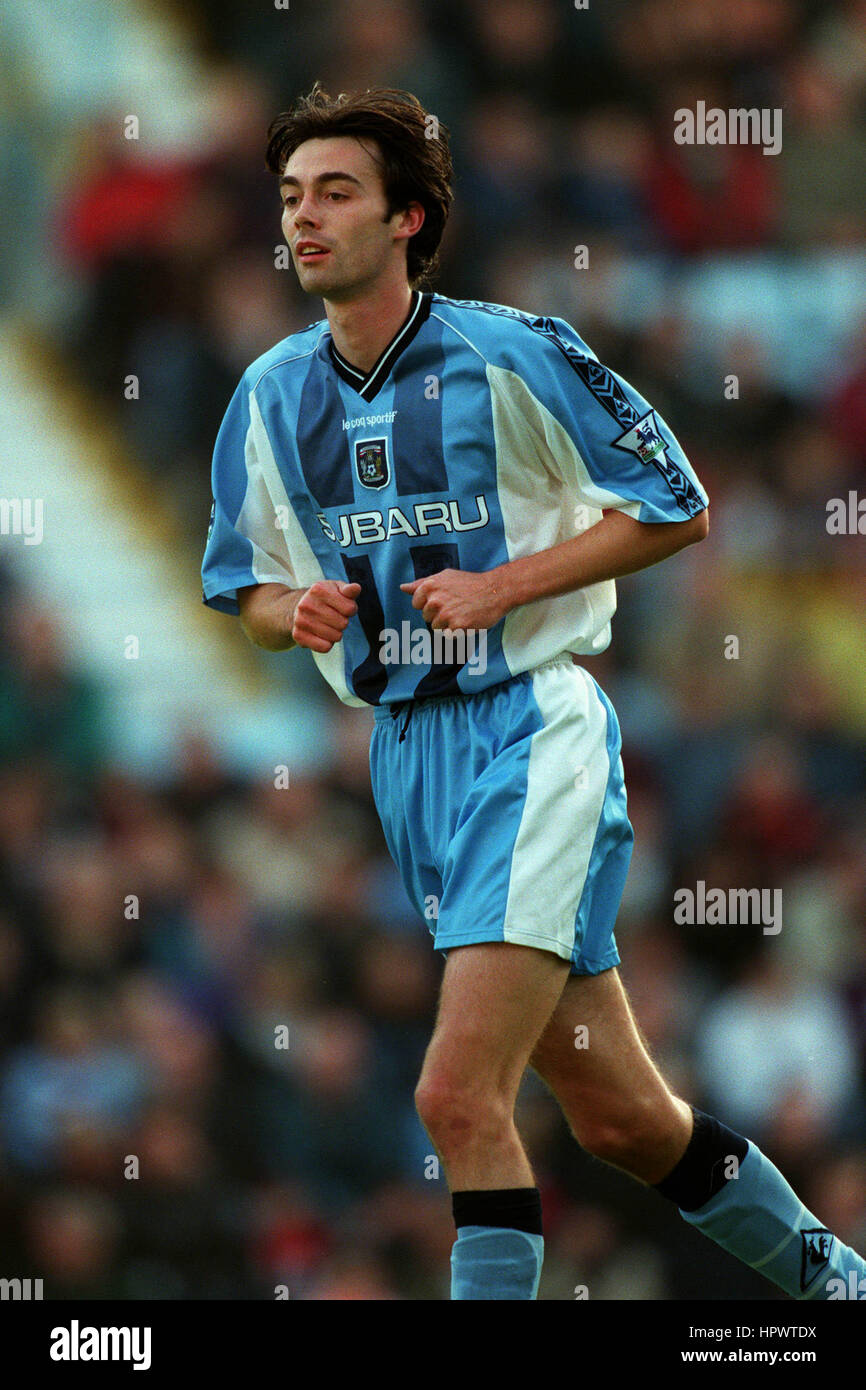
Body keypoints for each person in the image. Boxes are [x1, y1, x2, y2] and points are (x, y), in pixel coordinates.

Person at [201, 83, 866, 1302]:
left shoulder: (515, 352)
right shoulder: (263, 398)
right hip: (404, 761)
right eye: (290, 197)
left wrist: (505, 583)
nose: (303, 219)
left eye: (335, 192)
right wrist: (283, 615)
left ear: (408, 218)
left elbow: (674, 506)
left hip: (530, 730)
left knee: (455, 1094)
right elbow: (238, 587)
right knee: (621, 1118)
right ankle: (838, 1282)